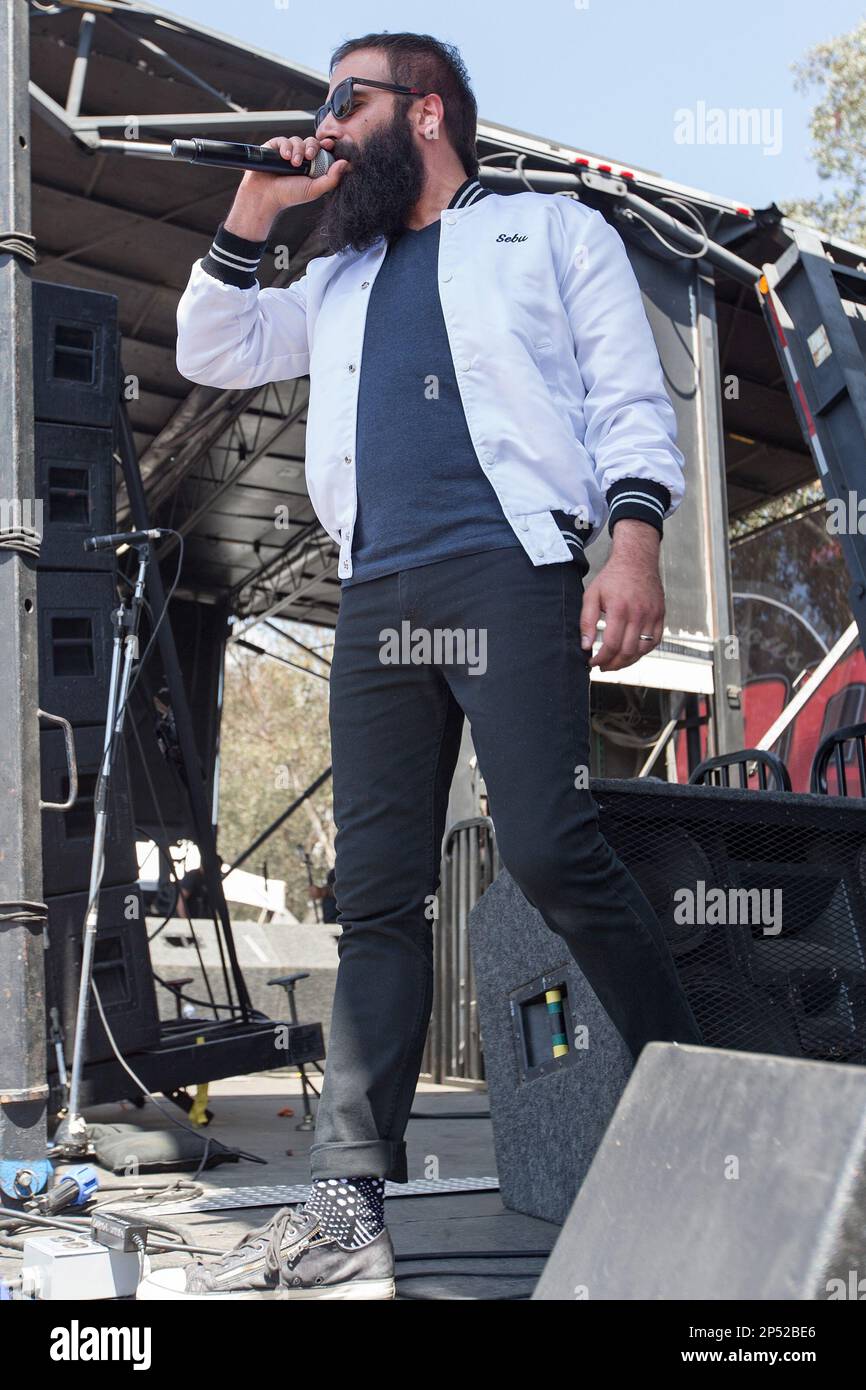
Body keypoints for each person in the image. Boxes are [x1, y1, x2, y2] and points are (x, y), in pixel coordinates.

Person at [139, 31, 703, 1301]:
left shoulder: (550, 233)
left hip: (511, 566)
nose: (325, 122)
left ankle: (697, 1091)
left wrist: (631, 546)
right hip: (380, 592)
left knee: (552, 845)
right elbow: (208, 349)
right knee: (376, 893)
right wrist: (254, 204)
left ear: (428, 111)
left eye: (348, 99)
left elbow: (627, 399)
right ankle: (350, 1205)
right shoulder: (338, 279)